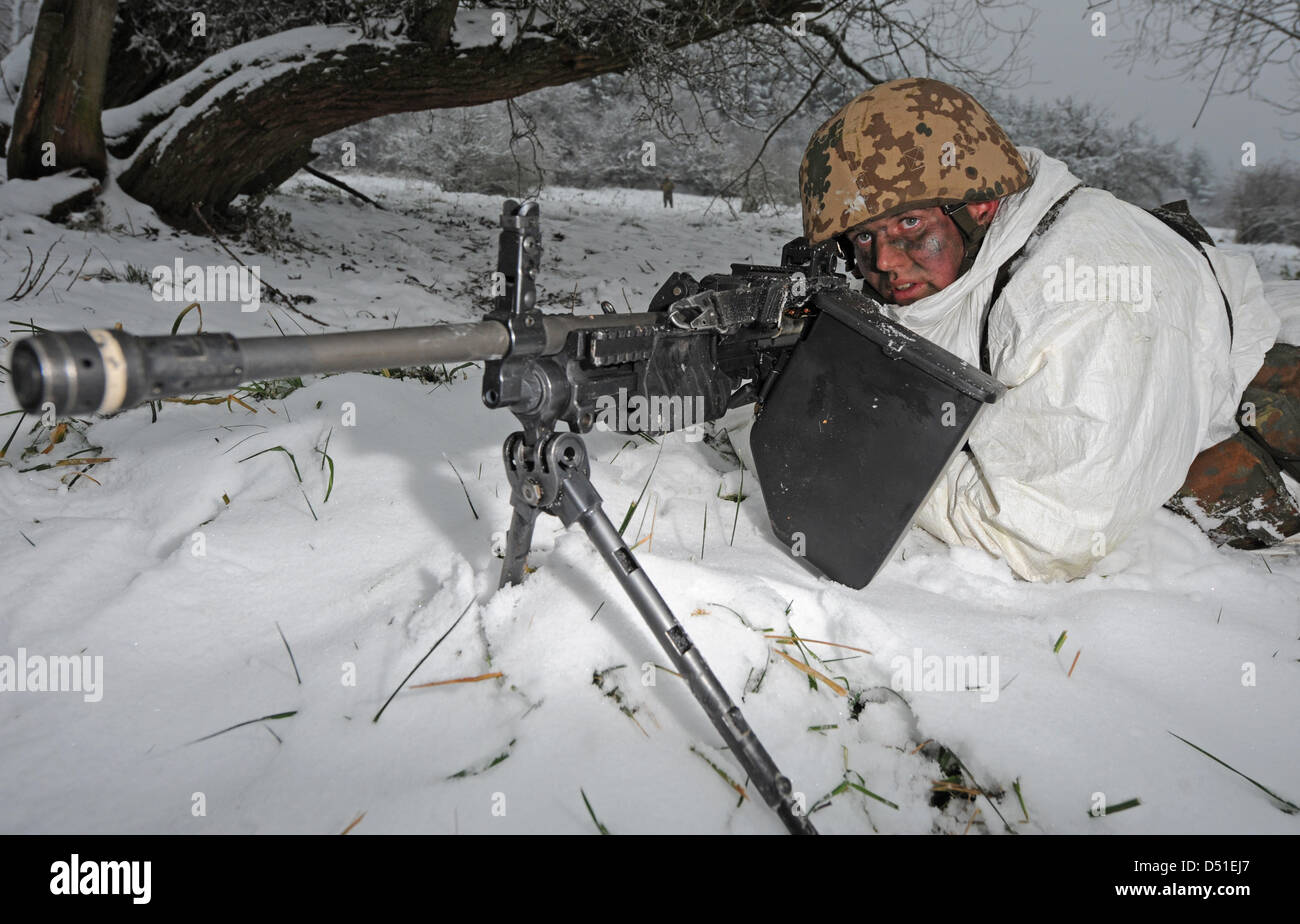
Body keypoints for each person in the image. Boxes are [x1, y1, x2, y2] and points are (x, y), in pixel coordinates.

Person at [798, 77, 1300, 581]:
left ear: (981, 204)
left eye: (909, 225)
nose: (883, 260)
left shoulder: (1086, 298)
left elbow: (1041, 543)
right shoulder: (987, 244)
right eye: (864, 235)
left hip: (1250, 440)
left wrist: (863, 440)